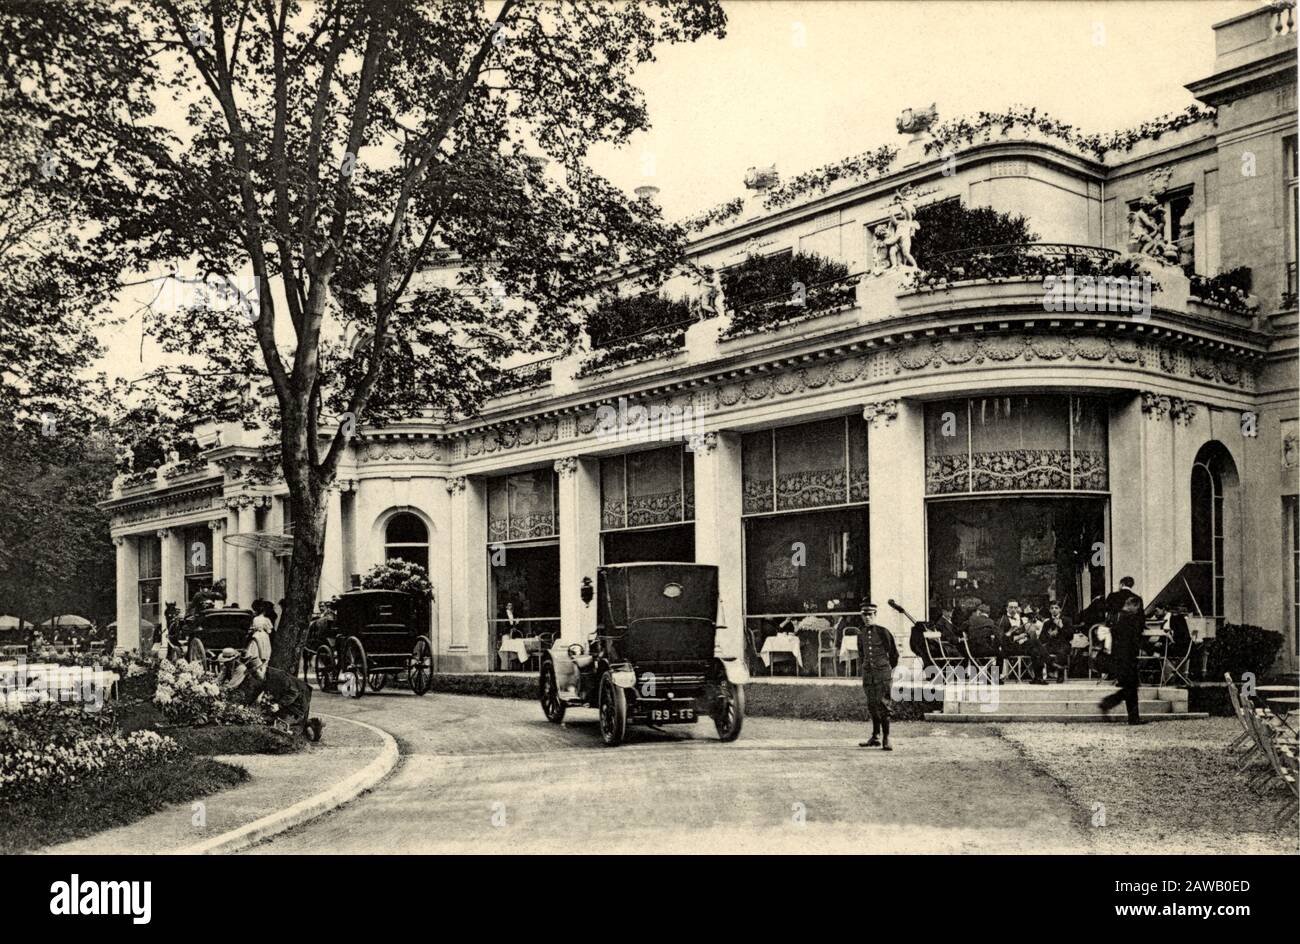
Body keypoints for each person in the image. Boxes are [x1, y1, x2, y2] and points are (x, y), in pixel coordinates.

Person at [838, 602, 899, 750]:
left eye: (870, 615)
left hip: (882, 674)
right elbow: (862, 654)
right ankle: (875, 736)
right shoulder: (861, 634)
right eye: (864, 615)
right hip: (868, 674)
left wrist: (886, 669)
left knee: (884, 705)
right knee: (872, 705)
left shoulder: (883, 632)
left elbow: (894, 654)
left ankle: (886, 738)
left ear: (875, 615)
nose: (867, 618)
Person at [1098, 594, 1147, 724]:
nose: (1138, 609)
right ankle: (1109, 705)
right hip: (1126, 658)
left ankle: (1131, 717)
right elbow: (1133, 639)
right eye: (1137, 606)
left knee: (1130, 688)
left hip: (1120, 657)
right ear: (1132, 605)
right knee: (1131, 688)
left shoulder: (1120, 617)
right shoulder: (1130, 618)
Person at [997, 599, 1046, 683]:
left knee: (1035, 649)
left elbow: (1026, 633)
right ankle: (1049, 660)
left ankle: (1038, 678)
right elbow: (1001, 639)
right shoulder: (1002, 620)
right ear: (1006, 608)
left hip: (1020, 646)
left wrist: (1028, 632)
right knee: (1036, 644)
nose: (1013, 609)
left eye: (1015, 607)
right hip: (1009, 648)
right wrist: (1017, 637)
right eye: (1011, 607)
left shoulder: (1021, 619)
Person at [1038, 602, 1073, 682]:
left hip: (1063, 644)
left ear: (1060, 609)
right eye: (1052, 608)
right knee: (1040, 650)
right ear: (1050, 610)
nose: (1054, 610)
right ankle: (1044, 674)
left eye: (1056, 608)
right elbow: (1041, 638)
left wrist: (1062, 627)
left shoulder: (1066, 620)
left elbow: (1070, 636)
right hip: (1051, 645)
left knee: (1061, 651)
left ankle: (1060, 675)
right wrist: (1049, 634)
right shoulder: (1047, 623)